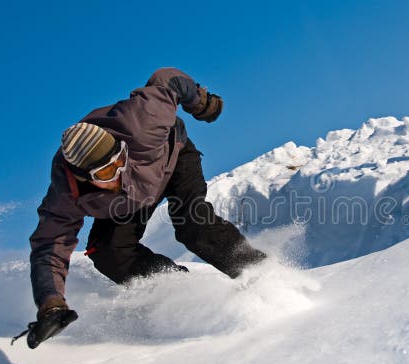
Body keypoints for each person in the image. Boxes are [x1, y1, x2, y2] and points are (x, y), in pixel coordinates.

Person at [16, 68, 266, 349]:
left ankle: (263, 276)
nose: (118, 171)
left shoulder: (143, 121)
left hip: (172, 160)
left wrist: (200, 101)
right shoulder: (65, 194)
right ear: (85, 177)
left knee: (193, 225)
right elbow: (49, 247)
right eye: (106, 172)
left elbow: (167, 79)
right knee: (108, 252)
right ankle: (179, 294)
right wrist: (51, 304)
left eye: (118, 159)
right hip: (125, 201)